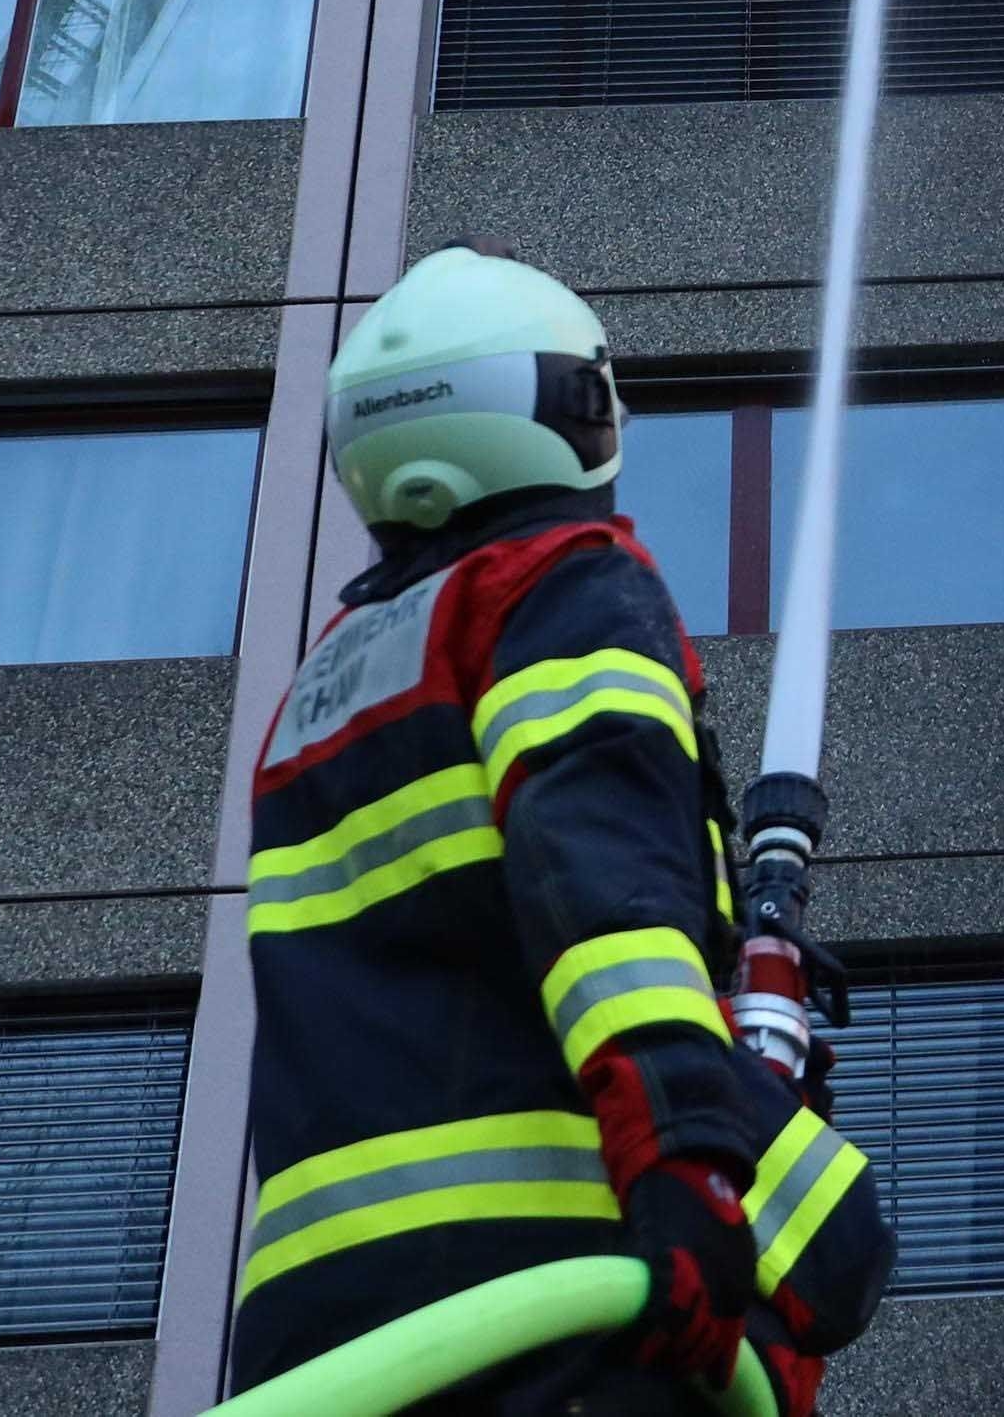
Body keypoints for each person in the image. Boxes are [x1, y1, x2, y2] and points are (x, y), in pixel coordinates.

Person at [235, 248, 890, 1417]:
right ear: (561, 409)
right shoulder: (566, 586)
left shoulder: (321, 687)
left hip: (329, 1339)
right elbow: (606, 896)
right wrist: (696, 1156)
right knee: (843, 1240)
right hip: (554, 1295)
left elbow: (468, 957)